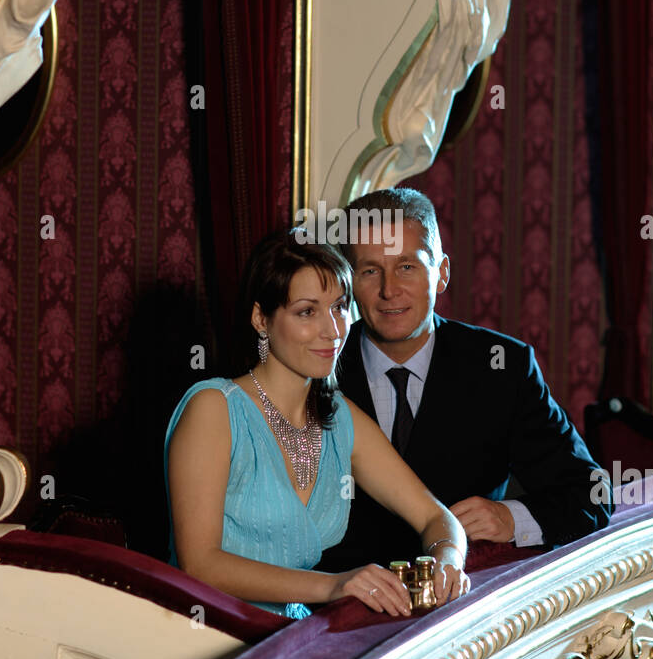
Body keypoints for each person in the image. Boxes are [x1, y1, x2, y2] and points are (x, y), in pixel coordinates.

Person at [164, 229, 471, 620]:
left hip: (290, 632)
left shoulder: (339, 417)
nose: (333, 330)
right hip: (205, 631)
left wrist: (448, 561)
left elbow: (435, 517)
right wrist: (334, 585)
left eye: (340, 307)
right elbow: (200, 564)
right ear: (261, 318)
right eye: (307, 311)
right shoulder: (214, 408)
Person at [316, 187, 613, 573]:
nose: (389, 290)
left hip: (463, 606)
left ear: (442, 274)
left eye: (407, 266)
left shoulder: (504, 368)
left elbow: (592, 493)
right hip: (336, 609)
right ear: (348, 282)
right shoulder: (315, 368)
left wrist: (511, 519)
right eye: (370, 270)